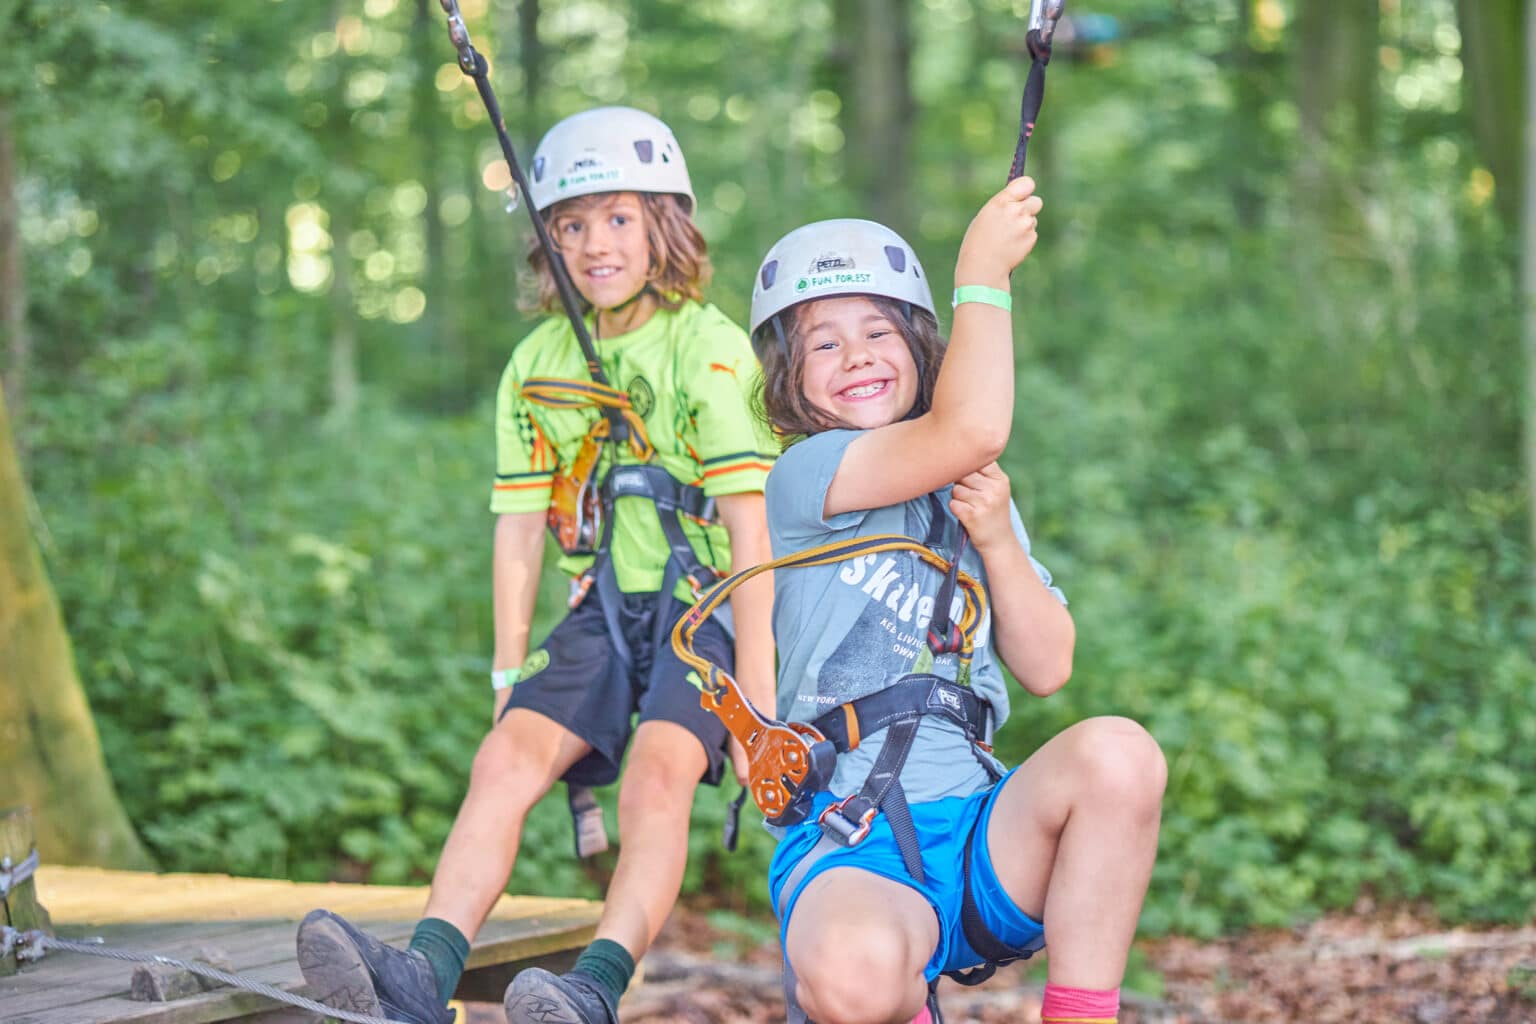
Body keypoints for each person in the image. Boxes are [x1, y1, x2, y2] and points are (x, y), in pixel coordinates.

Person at [295, 106, 778, 1024]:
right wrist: (508, 668)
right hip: (603, 605)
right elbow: (518, 527)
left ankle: (591, 987)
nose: (595, 244)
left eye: (619, 218)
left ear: (664, 225)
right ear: (546, 242)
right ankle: (421, 974)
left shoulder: (708, 349)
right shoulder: (536, 363)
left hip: (705, 602)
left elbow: (753, 536)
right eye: (571, 224)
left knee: (657, 777)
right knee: (505, 756)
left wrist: (756, 709)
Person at [743, 177, 1166, 1024]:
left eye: (877, 331)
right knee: (854, 979)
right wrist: (983, 276)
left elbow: (1049, 666)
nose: (857, 354)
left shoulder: (972, 493)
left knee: (1119, 754)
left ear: (920, 348)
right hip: (853, 838)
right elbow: (969, 427)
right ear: (792, 381)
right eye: (823, 345)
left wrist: (1000, 541)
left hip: (979, 831)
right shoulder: (807, 478)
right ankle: (899, 995)